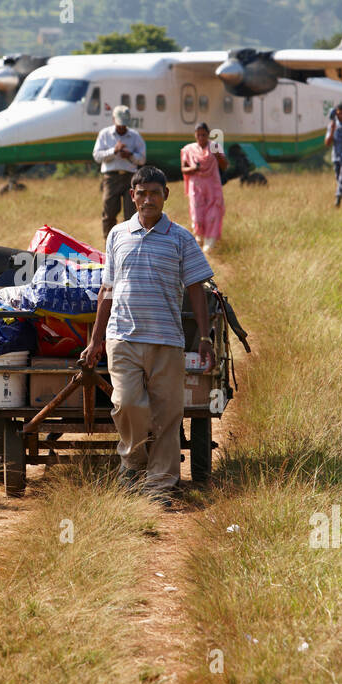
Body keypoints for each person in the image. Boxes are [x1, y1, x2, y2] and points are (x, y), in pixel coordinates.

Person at [80, 165, 214, 509]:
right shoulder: (117, 235)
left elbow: (196, 288)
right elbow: (107, 290)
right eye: (142, 193)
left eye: (156, 193)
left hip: (167, 340)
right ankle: (133, 463)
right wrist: (96, 341)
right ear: (132, 196)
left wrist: (204, 336)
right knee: (127, 405)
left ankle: (160, 485)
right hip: (122, 338)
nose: (149, 199)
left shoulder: (181, 238)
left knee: (169, 416)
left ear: (166, 196)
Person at [93, 105, 146, 239]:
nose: (122, 127)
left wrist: (130, 155)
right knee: (109, 212)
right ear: (113, 120)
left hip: (130, 177)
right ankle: (109, 243)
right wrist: (114, 151)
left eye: (124, 124)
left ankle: (129, 242)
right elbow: (97, 156)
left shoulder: (134, 136)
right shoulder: (105, 134)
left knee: (131, 214)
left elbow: (142, 159)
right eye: (119, 124)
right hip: (111, 178)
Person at [180, 121, 227, 253]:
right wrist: (193, 168)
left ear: (208, 134)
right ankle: (199, 236)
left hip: (213, 186)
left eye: (204, 135)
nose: (201, 138)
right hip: (196, 187)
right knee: (197, 215)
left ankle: (210, 243)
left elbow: (224, 166)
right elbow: (183, 169)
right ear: (195, 135)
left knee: (213, 213)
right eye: (198, 135)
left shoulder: (215, 147)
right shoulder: (188, 149)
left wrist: (218, 156)